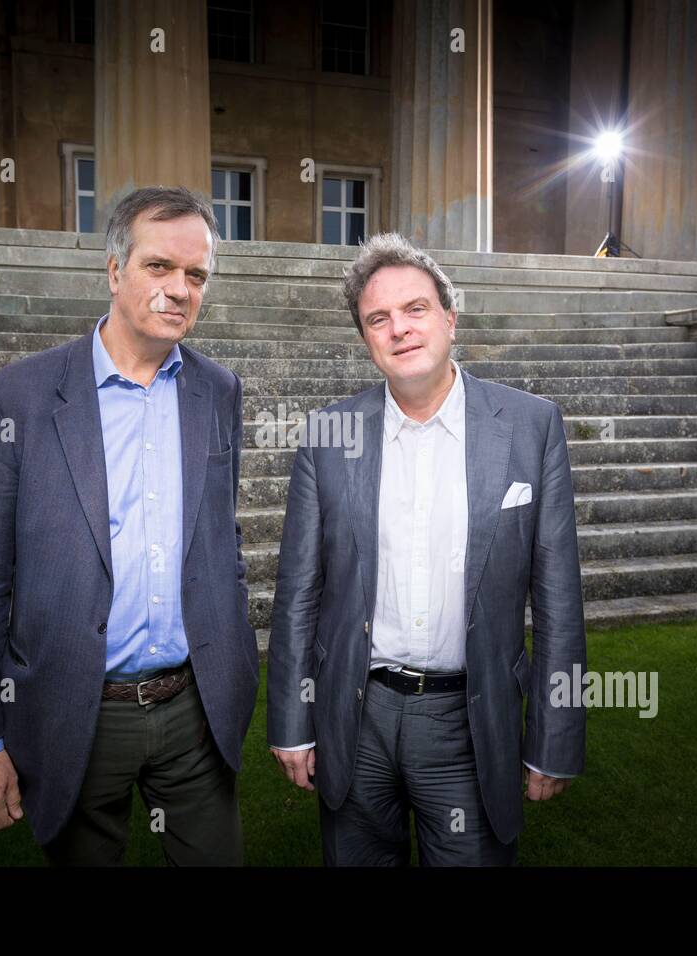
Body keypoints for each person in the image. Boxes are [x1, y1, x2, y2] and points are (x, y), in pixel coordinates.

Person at [0, 186, 259, 865]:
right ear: (115, 271)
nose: (179, 289)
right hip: (74, 712)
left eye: (195, 275)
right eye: (159, 267)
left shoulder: (220, 390)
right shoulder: (14, 398)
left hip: (195, 711)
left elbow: (220, 537)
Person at [267, 232, 587, 866]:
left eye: (415, 309)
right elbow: (298, 592)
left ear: (449, 315)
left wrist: (556, 736)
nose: (400, 330)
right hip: (357, 716)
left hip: (469, 721)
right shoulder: (328, 436)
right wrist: (291, 721)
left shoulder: (531, 426)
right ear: (366, 340)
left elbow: (558, 601)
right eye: (378, 319)